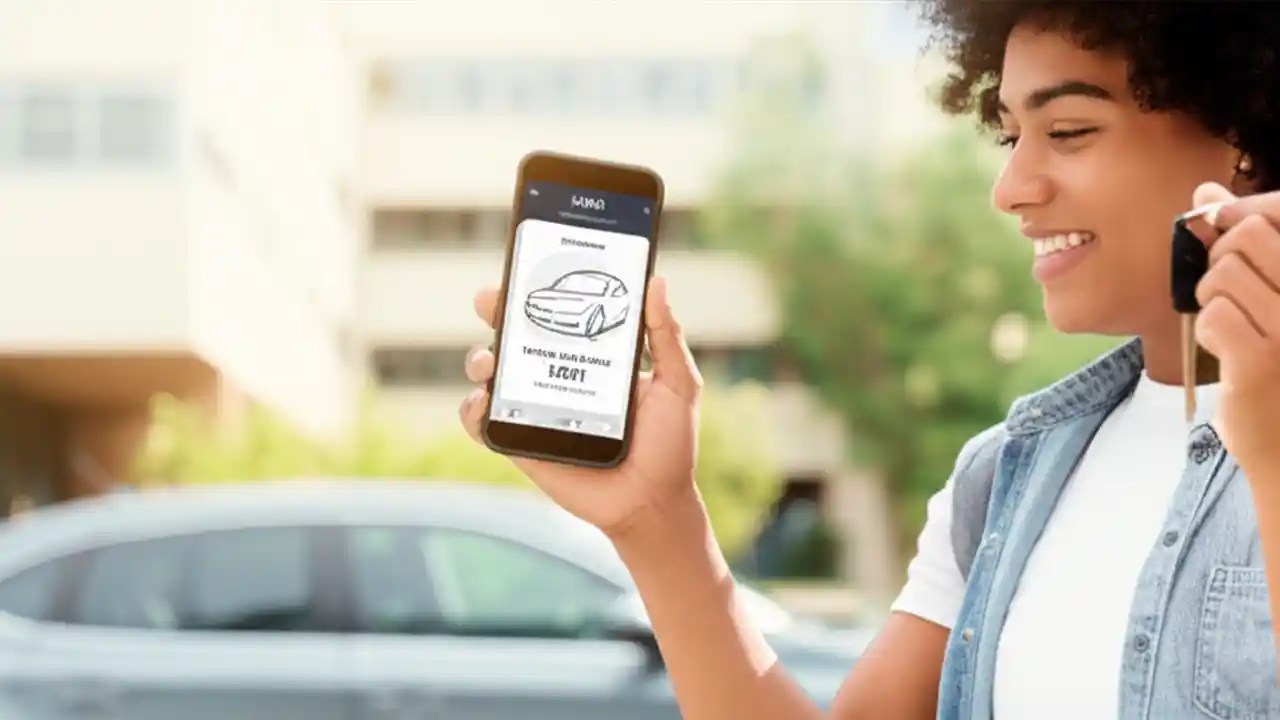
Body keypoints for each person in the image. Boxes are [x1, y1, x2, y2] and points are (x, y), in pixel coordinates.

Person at [458, 2, 1280, 717]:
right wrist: (659, 524)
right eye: (1010, 133)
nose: (1012, 185)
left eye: (1067, 132)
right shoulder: (1005, 480)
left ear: (1242, 126)